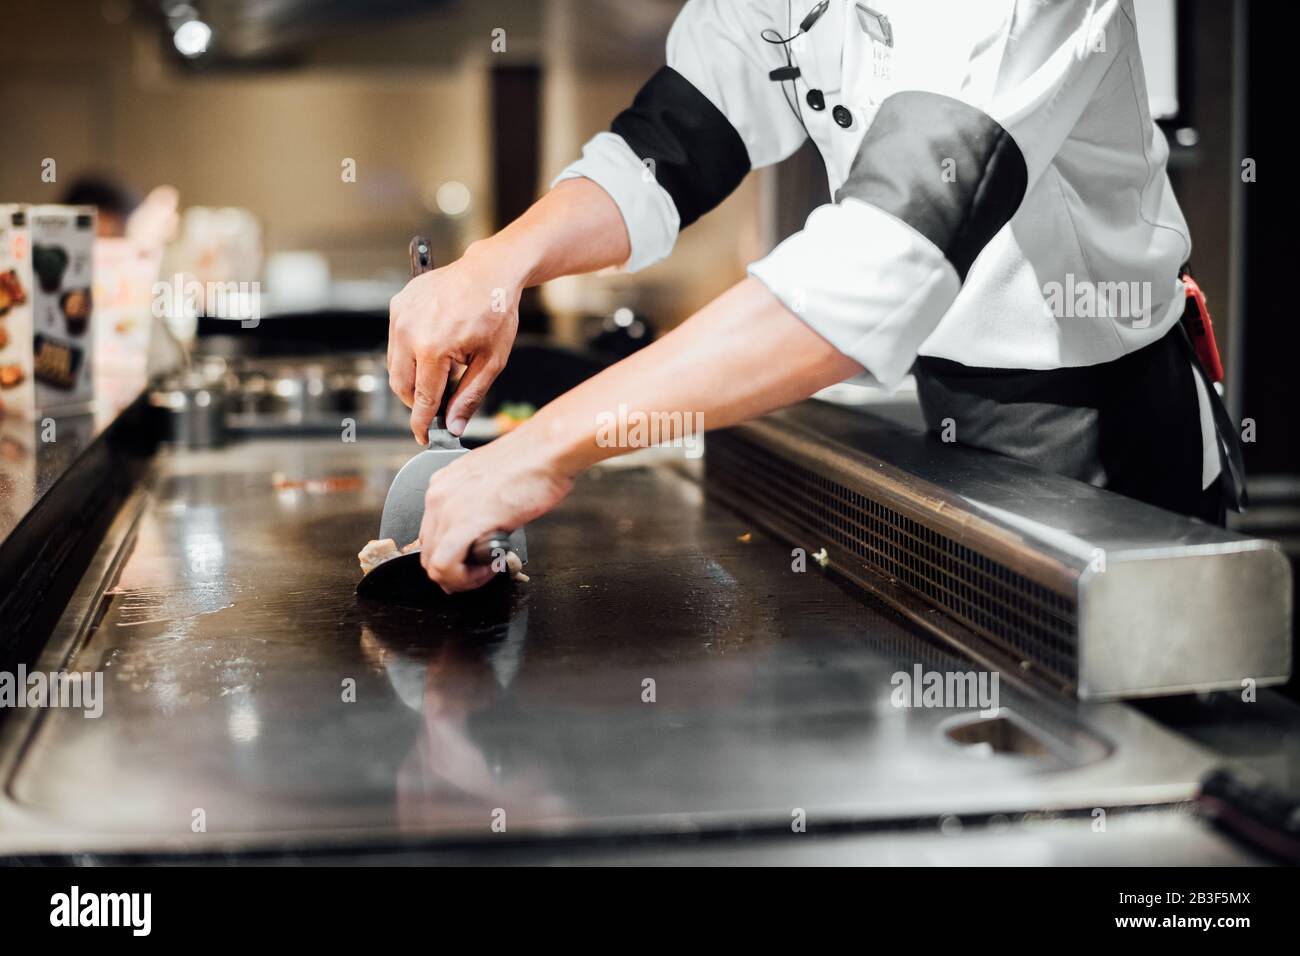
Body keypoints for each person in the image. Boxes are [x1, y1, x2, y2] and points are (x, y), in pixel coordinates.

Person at [386, 0, 1243, 593]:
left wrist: (542, 446)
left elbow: (871, 270)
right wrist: (497, 265)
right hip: (931, 407)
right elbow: (668, 146)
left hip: (1097, 432)